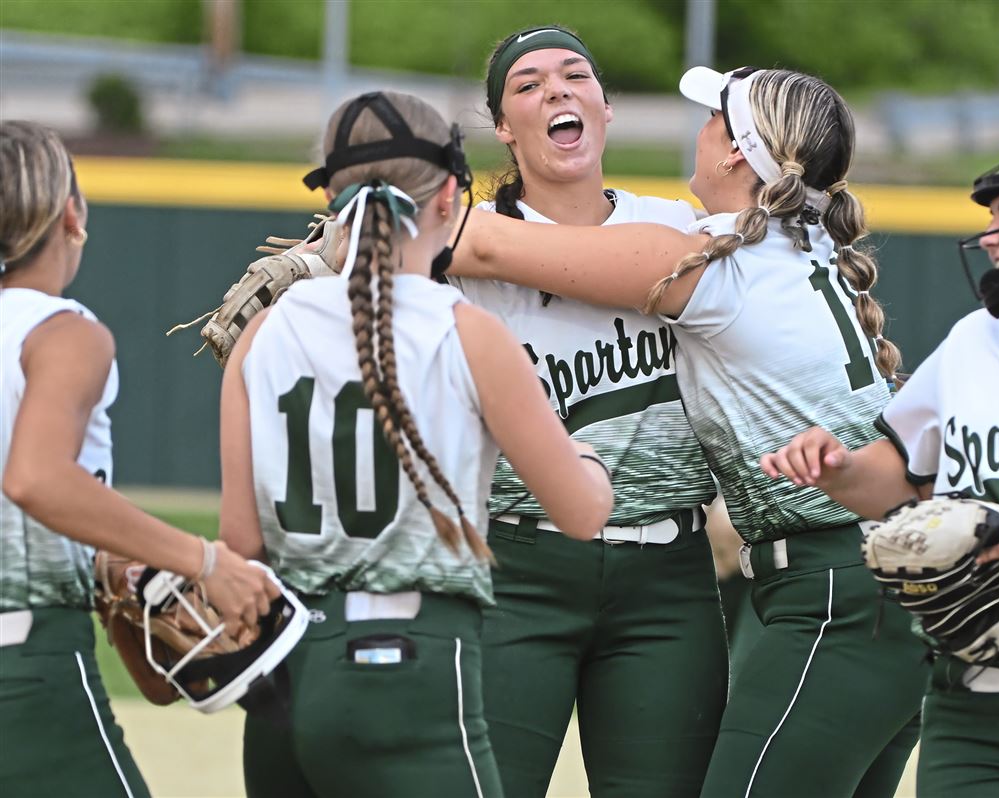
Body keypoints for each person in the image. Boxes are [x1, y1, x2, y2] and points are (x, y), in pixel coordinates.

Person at [451, 65, 929, 797]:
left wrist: (360, 223)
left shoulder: (719, 260)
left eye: (713, 119)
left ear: (737, 151)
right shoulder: (803, 243)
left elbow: (480, 246)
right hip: (877, 586)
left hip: (838, 595)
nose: (699, 131)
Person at [217, 90, 613, 798]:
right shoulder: (466, 332)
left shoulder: (264, 330)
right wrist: (586, 459)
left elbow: (240, 540)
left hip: (287, 667)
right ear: (450, 197)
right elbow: (583, 514)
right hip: (412, 664)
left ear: (332, 200)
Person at [761, 133, 999, 797]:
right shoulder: (973, 342)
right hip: (976, 721)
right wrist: (837, 471)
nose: (991, 236)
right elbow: (904, 478)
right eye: (990, 218)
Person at [447, 26, 726, 798]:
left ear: (605, 107)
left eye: (575, 76)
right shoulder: (460, 247)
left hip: (667, 576)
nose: (557, 91)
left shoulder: (674, 224)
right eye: (528, 85)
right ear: (504, 127)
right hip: (516, 567)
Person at [0, 120, 278, 797]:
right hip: (22, 661)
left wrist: (104, 557)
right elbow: (35, 477)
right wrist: (202, 560)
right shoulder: (62, 332)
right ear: (72, 212)